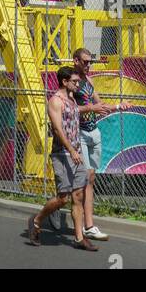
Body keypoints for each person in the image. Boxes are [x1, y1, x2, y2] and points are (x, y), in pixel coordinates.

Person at [29, 68, 97, 250]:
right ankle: (37, 220)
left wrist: (94, 108)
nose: (77, 84)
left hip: (76, 154)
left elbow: (76, 117)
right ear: (64, 82)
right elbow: (58, 129)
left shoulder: (72, 99)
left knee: (78, 195)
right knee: (63, 198)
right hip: (62, 154)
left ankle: (78, 238)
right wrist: (71, 151)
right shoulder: (55, 101)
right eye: (74, 81)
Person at [71, 48, 111, 240]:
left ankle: (88, 224)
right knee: (86, 178)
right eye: (85, 62)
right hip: (79, 134)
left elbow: (99, 104)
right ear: (76, 61)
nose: (88, 65)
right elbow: (69, 109)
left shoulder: (90, 82)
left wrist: (120, 106)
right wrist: (91, 108)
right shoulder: (71, 83)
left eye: (90, 62)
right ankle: (89, 225)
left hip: (93, 133)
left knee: (91, 178)